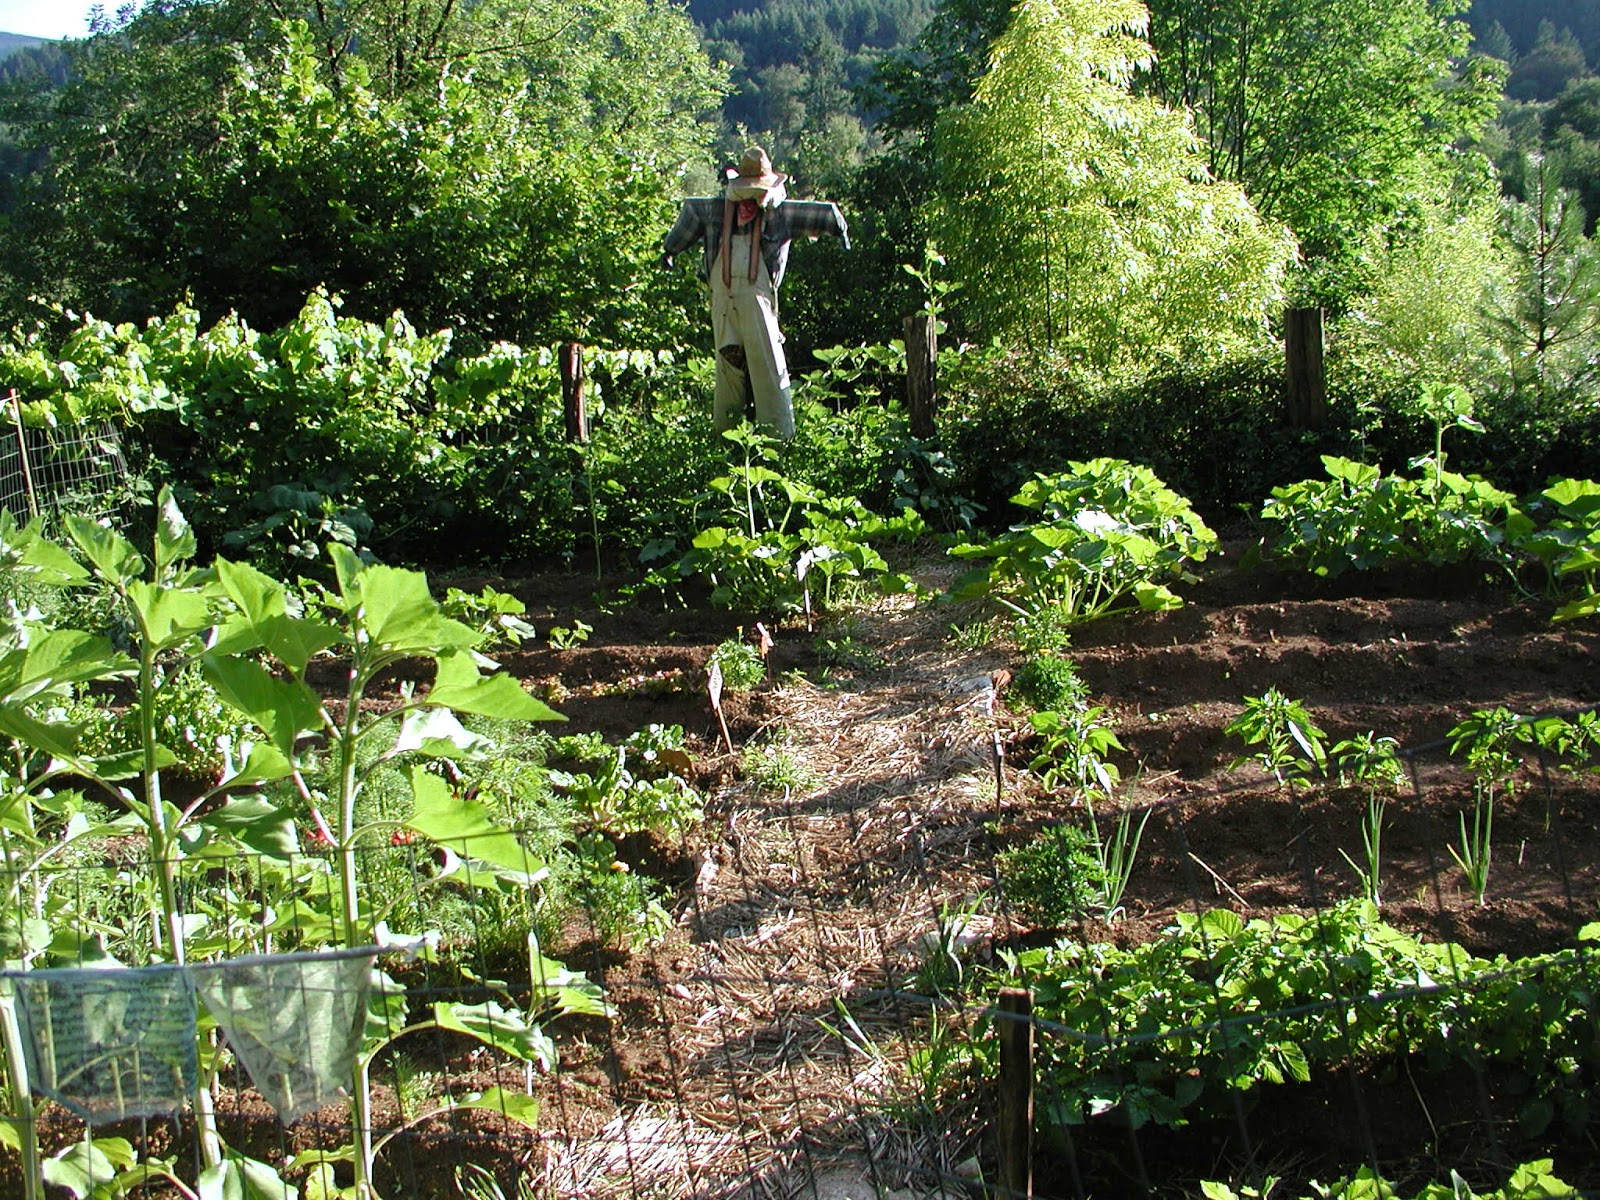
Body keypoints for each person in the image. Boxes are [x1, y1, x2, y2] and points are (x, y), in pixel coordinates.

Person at [661, 147, 849, 441]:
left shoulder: (780, 214)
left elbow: (822, 212)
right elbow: (691, 213)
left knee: (769, 371)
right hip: (723, 302)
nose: (749, 203)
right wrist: (671, 249)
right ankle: (727, 441)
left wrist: (840, 231)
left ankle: (778, 443)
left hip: (759, 303)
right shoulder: (714, 211)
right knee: (728, 368)